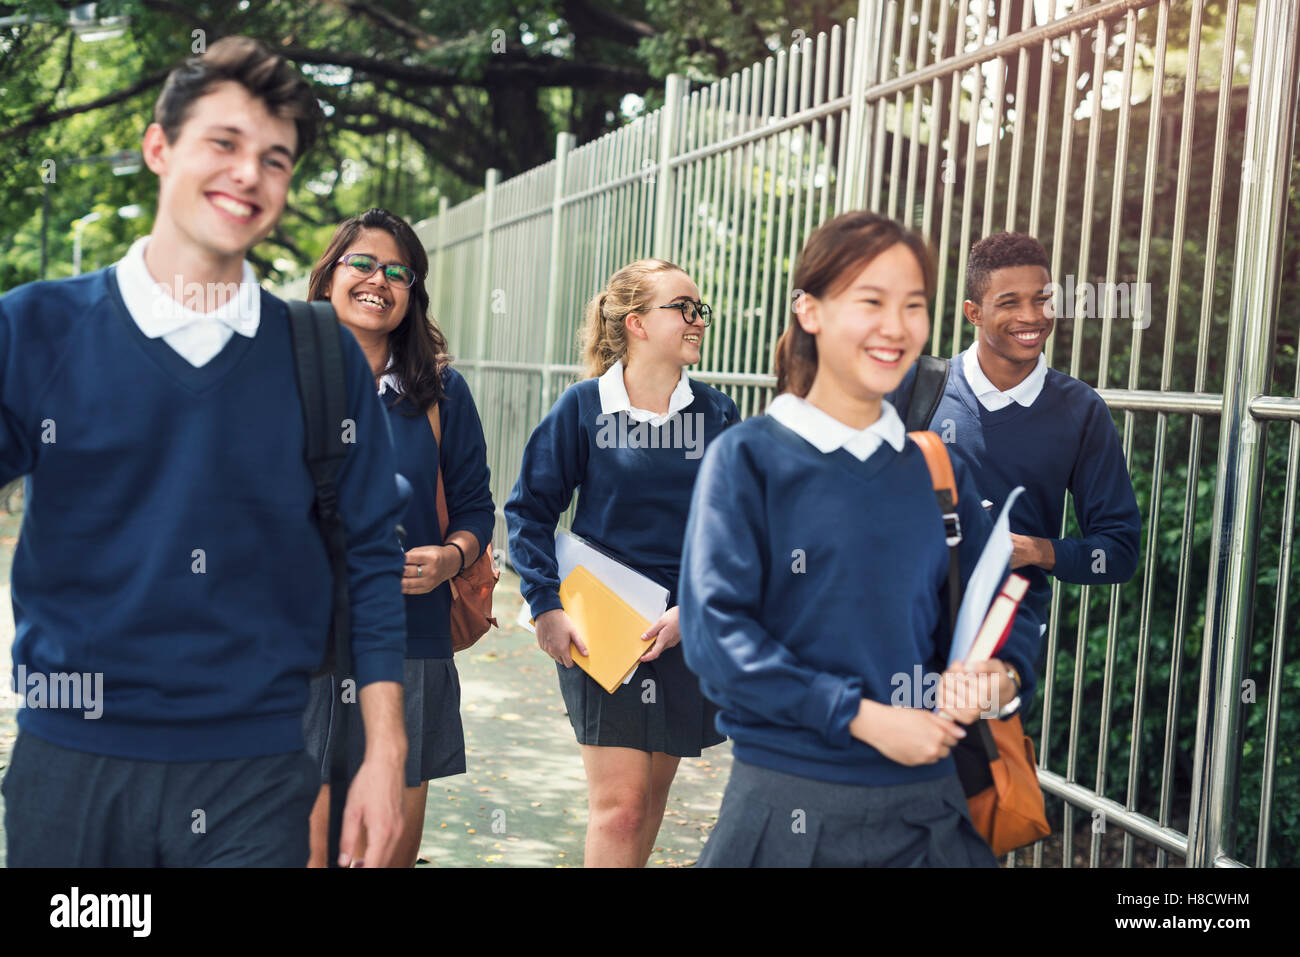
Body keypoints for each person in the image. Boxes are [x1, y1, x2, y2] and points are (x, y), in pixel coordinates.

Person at [0, 37, 408, 867]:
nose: (249, 173)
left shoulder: (324, 357)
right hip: (69, 763)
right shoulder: (35, 328)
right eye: (223, 143)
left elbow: (372, 556)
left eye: (276, 159)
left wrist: (385, 751)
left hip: (254, 769)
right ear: (159, 146)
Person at [677, 211, 1042, 867]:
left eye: (914, 305)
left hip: (929, 812)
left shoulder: (939, 469)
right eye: (870, 301)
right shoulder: (749, 460)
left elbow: (1008, 602)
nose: (895, 327)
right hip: (790, 813)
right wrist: (862, 716)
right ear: (809, 309)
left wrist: (1000, 673)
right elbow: (716, 637)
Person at [504, 259, 740, 867]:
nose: (697, 319)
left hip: (684, 633)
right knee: (622, 807)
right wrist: (546, 607)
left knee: (651, 800)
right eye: (682, 308)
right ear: (636, 323)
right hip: (604, 633)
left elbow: (739, 530)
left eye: (699, 309)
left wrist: (696, 609)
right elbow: (529, 511)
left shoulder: (718, 415)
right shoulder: (583, 407)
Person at [301, 208, 494, 868]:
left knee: (386, 848)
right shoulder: (282, 377)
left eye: (397, 270)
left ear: (412, 292)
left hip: (411, 637)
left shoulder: (441, 392)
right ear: (329, 275)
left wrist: (450, 557)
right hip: (304, 639)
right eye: (362, 262)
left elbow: (476, 508)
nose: (378, 278)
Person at [890, 231, 1140, 670]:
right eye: (1009, 302)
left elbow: (1117, 553)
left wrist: (1034, 551)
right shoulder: (913, 387)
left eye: (1042, 299)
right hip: (898, 628)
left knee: (980, 741)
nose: (1032, 316)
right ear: (974, 312)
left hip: (1004, 648)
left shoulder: (1081, 410)